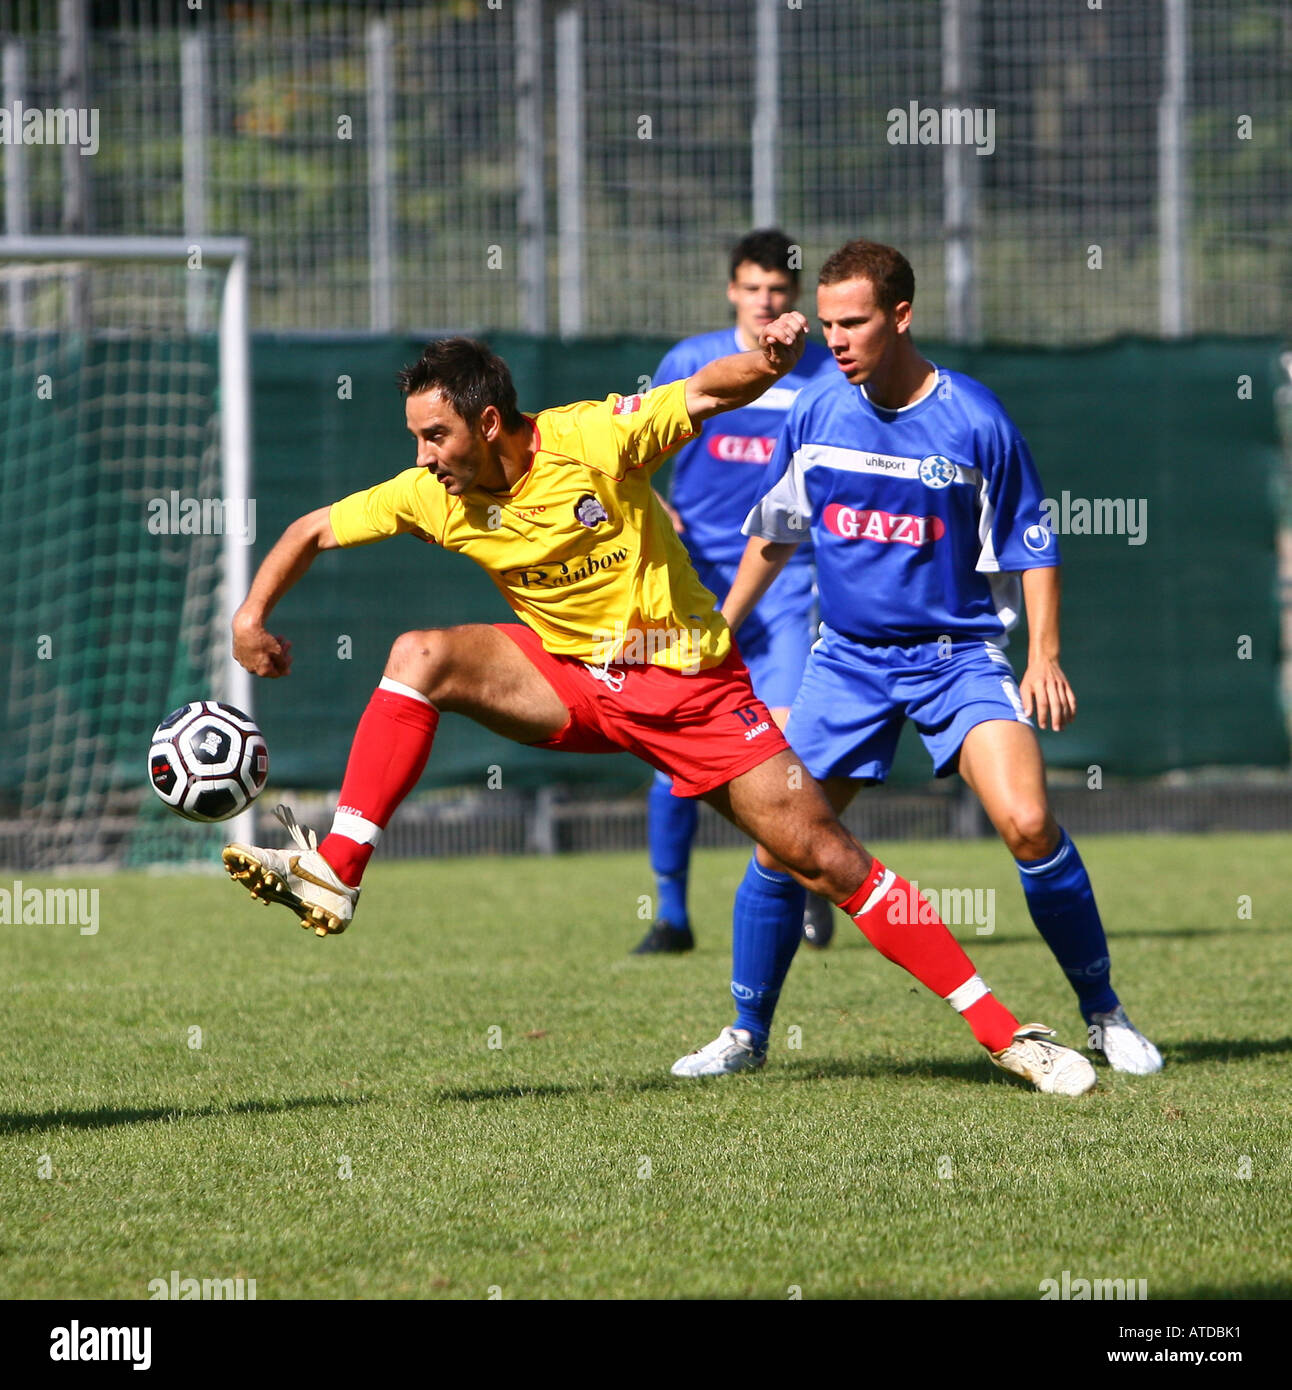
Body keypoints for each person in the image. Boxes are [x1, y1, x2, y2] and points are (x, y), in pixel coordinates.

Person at [221, 326, 1098, 1096]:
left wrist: (766, 361)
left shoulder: (591, 438)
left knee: (827, 858)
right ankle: (339, 866)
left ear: (489, 423)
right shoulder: (433, 494)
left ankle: (1005, 1034)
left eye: (436, 436)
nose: (423, 458)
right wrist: (252, 616)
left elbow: (707, 392)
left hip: (692, 693)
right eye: (416, 439)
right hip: (571, 681)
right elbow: (309, 530)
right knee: (419, 655)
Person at [673, 238, 1160, 1080]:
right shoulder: (816, 411)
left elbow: (1032, 544)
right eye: (826, 324)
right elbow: (777, 533)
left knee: (1031, 823)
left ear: (900, 316)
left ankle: (1104, 1015)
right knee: (783, 845)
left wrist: (1043, 655)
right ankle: (747, 1036)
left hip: (959, 658)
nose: (837, 339)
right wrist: (719, 627)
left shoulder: (975, 419)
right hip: (848, 663)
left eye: (854, 321)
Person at [635, 228, 836, 956]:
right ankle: (672, 916)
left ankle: (803, 886)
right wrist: (662, 512)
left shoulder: (823, 374)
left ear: (797, 298)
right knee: (674, 749)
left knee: (782, 750)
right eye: (753, 289)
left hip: (784, 587)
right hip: (692, 588)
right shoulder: (692, 363)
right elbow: (633, 459)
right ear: (732, 291)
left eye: (779, 291)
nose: (765, 302)